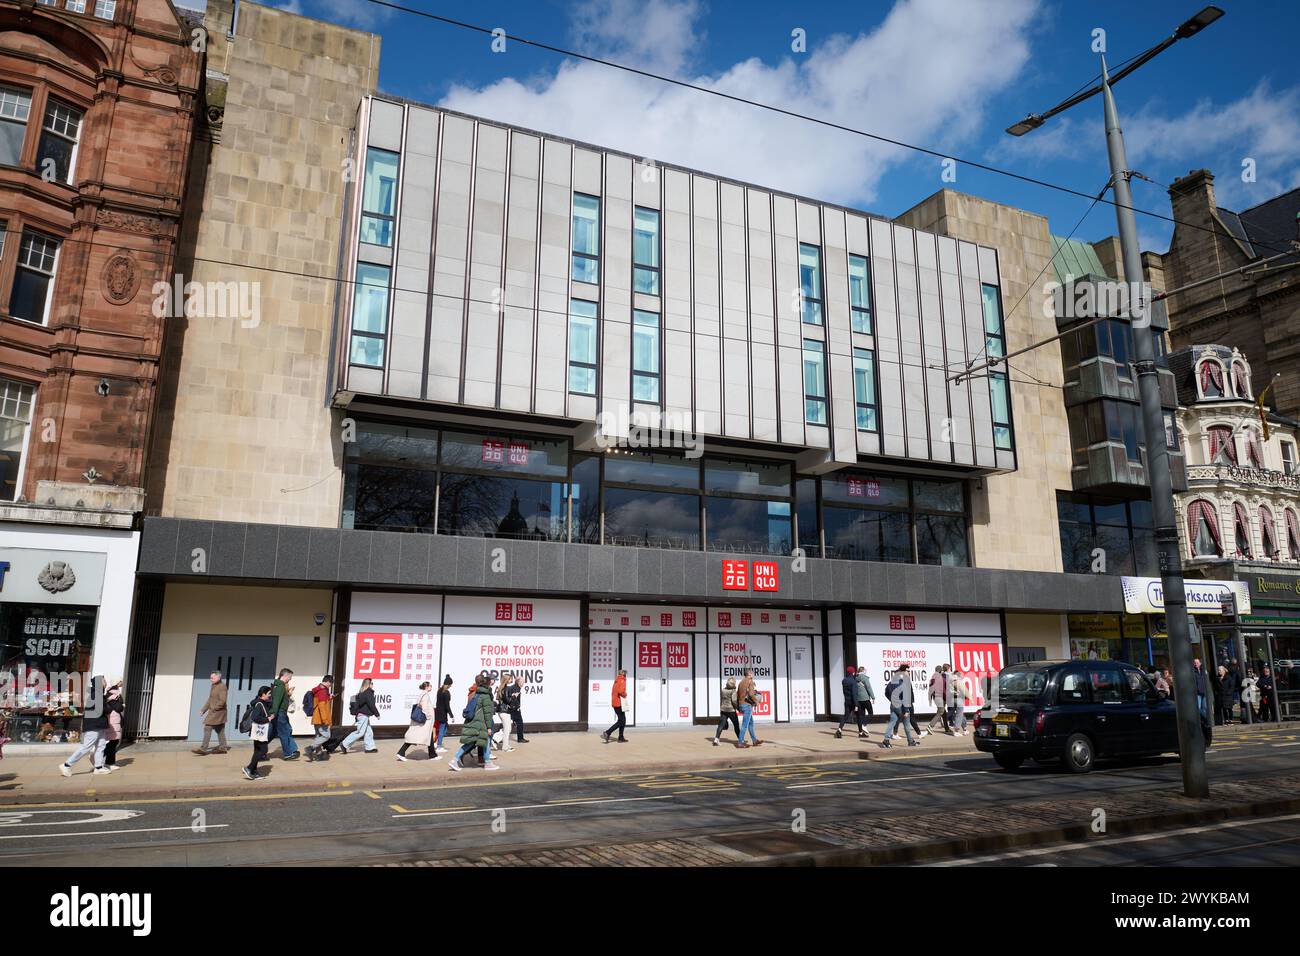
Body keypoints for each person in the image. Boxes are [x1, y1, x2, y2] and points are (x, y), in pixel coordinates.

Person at [59, 676, 111, 777]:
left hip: (99, 724)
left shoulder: (98, 693)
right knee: (86, 747)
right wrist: (110, 706)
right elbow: (104, 709)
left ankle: (98, 767)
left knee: (101, 746)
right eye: (104, 680)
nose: (106, 682)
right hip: (94, 725)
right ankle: (66, 765)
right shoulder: (96, 694)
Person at [449, 675, 498, 771]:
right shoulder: (485, 696)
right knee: (486, 741)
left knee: (470, 743)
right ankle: (487, 763)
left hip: (473, 722)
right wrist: (489, 727)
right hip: (480, 724)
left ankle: (455, 760)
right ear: (487, 685)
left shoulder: (476, 694)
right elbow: (488, 713)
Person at [336, 678, 379, 754]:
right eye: (372, 683)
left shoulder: (361, 693)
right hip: (363, 715)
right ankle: (344, 744)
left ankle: (370, 748)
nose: (373, 685)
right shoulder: (368, 692)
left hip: (363, 715)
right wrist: (377, 714)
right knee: (360, 732)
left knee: (368, 732)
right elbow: (371, 705)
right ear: (368, 684)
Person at [397, 681, 438, 762]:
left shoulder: (422, 694)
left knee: (428, 736)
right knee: (413, 737)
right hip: (424, 722)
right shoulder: (425, 695)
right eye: (430, 685)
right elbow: (424, 707)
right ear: (426, 686)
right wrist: (428, 716)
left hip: (423, 722)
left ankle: (432, 755)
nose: (431, 687)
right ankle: (401, 752)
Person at [881, 664, 918, 748]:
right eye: (908, 671)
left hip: (893, 705)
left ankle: (886, 740)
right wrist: (906, 710)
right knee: (907, 724)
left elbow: (886, 693)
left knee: (892, 722)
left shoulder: (891, 682)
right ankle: (910, 741)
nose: (909, 673)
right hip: (901, 705)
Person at [242, 685, 273, 781]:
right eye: (269, 693)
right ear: (263, 694)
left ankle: (254, 771)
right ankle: (249, 768)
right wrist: (267, 719)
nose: (270, 695)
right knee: (263, 750)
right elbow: (255, 717)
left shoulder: (262, 702)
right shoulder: (259, 704)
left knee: (257, 751)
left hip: (258, 731)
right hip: (260, 731)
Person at [194, 671, 229, 755]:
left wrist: (214, 708)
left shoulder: (222, 687)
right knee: (220, 730)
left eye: (212, 678)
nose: (210, 679)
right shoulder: (214, 685)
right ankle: (223, 747)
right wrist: (203, 710)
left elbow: (222, 701)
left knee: (207, 727)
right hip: (216, 712)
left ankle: (203, 748)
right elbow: (210, 699)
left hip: (218, 712)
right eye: (210, 677)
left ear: (218, 677)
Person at [303, 676, 336, 762]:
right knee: (326, 736)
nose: (330, 686)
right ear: (328, 682)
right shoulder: (323, 691)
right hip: (321, 718)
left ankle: (319, 754)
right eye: (331, 684)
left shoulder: (318, 689)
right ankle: (310, 748)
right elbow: (322, 706)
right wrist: (325, 719)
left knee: (318, 736)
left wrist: (329, 698)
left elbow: (320, 702)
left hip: (316, 717)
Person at [270, 668, 299, 760]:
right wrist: (274, 713)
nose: (290, 679)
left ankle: (260, 749)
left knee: (274, 733)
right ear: (285, 675)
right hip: (280, 713)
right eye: (290, 677)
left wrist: (288, 694)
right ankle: (288, 754)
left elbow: (279, 699)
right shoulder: (280, 686)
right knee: (285, 732)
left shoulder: (278, 685)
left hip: (280, 713)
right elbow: (276, 701)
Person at [735, 669, 762, 748]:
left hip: (741, 704)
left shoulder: (741, 682)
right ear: (749, 674)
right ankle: (740, 742)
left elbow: (737, 694)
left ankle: (754, 740)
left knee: (750, 723)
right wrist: (756, 701)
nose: (753, 674)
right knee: (745, 725)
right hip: (747, 705)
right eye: (752, 673)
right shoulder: (750, 681)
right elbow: (751, 694)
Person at [835, 666, 863, 739]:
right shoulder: (853, 682)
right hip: (853, 702)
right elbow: (854, 694)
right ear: (853, 672)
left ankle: (839, 730)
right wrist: (856, 704)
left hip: (847, 701)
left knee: (845, 716)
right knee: (859, 716)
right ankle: (860, 733)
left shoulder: (844, 681)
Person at [102, 680, 125, 771]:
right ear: (117, 682)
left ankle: (110, 763)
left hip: (114, 719)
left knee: (113, 742)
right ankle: (99, 756)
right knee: (113, 742)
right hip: (113, 720)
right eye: (120, 681)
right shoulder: (114, 694)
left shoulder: (112, 693)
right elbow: (118, 708)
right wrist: (122, 705)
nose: (122, 682)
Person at [602, 669, 628, 743]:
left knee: (623, 720)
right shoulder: (622, 680)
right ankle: (607, 732)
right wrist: (625, 694)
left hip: (615, 702)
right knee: (621, 721)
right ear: (623, 674)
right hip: (619, 703)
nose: (626, 675)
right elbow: (621, 691)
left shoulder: (616, 680)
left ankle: (621, 737)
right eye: (625, 673)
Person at [714, 677, 741, 745]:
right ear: (733, 683)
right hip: (731, 710)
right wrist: (737, 708)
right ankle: (740, 739)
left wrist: (721, 708)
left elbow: (721, 700)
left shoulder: (723, 690)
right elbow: (734, 701)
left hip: (723, 709)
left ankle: (716, 739)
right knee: (736, 725)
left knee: (721, 725)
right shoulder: (733, 691)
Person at [495, 673, 516, 753]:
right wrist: (514, 696)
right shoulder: (506, 688)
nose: (511, 680)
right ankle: (505, 747)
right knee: (507, 730)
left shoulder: (501, 688)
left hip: (501, 711)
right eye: (510, 679)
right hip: (505, 711)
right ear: (507, 680)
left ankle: (505, 744)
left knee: (507, 728)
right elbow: (507, 700)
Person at [433, 676, 453, 753]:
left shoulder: (439, 691)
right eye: (450, 684)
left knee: (444, 728)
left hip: (438, 712)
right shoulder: (446, 693)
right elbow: (447, 705)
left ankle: (437, 742)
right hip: (443, 714)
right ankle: (439, 745)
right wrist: (451, 715)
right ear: (448, 684)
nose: (451, 686)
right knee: (442, 729)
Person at [928, 665, 950, 734]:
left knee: (943, 712)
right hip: (940, 697)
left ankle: (947, 728)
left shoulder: (933, 677)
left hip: (935, 697)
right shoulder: (940, 678)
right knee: (941, 711)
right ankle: (930, 726)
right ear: (941, 671)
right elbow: (943, 689)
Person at [854, 666, 874, 738]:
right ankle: (864, 725)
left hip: (859, 700)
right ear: (863, 671)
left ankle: (861, 731)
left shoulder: (855, 678)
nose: (866, 671)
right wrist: (873, 697)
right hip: (865, 698)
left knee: (861, 715)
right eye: (865, 670)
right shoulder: (865, 678)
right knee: (871, 713)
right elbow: (869, 687)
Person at [509, 674, 529, 744]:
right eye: (523, 681)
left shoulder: (515, 687)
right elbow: (513, 700)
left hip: (513, 708)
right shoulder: (515, 688)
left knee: (509, 724)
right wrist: (517, 707)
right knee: (519, 723)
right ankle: (520, 738)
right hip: (514, 709)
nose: (524, 683)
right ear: (518, 682)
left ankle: (497, 737)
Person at [948, 669, 969, 736]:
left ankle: (965, 729)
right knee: (959, 715)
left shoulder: (950, 681)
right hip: (958, 700)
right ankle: (956, 731)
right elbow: (964, 691)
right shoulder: (958, 682)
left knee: (960, 714)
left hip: (952, 700)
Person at [1191, 658, 1209, 723]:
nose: (1196, 664)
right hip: (1197, 693)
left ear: (1200, 663)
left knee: (1204, 708)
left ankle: (1204, 721)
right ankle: (1199, 721)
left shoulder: (1203, 671)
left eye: (1197, 662)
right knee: (1198, 708)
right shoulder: (1192, 671)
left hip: (1204, 692)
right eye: (1194, 663)